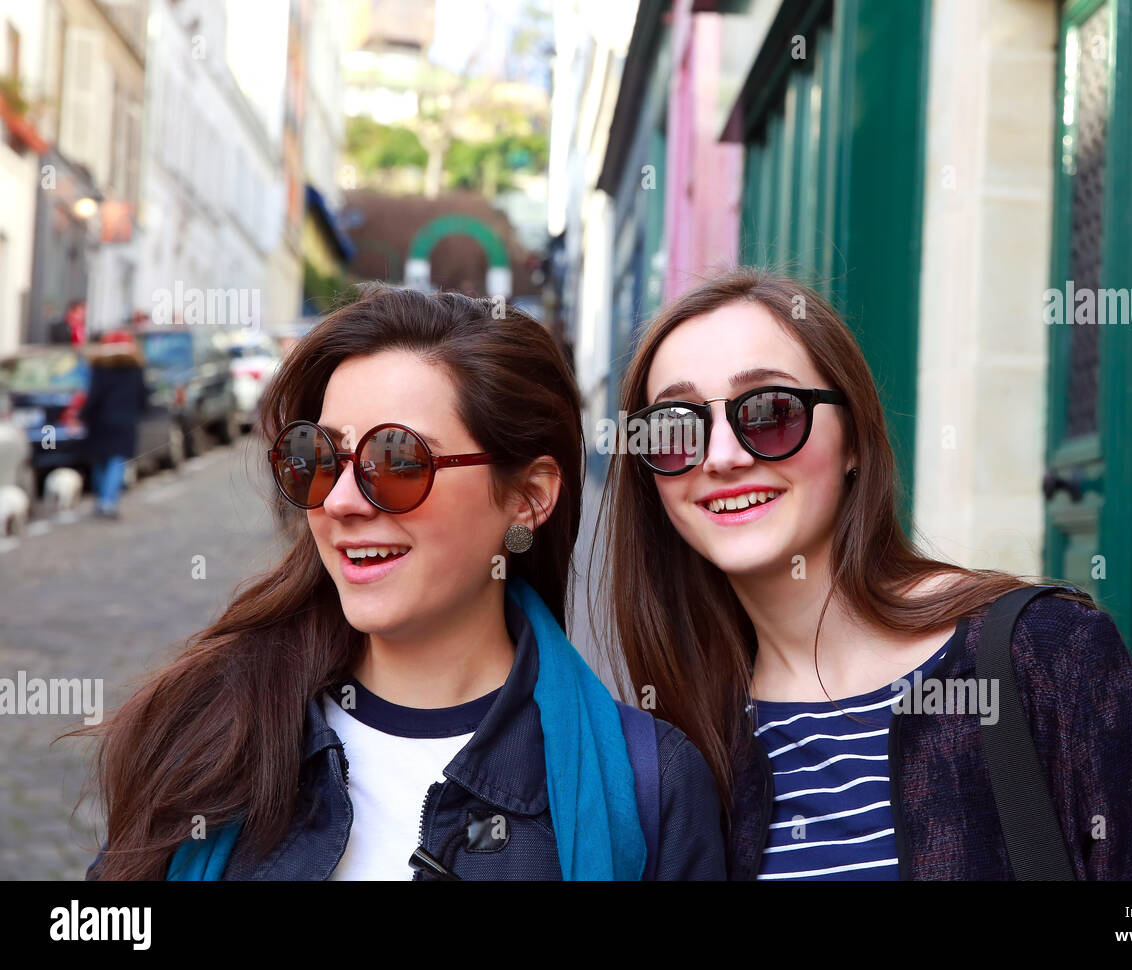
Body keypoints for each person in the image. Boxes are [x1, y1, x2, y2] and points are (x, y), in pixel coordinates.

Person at [596, 269, 1132, 881]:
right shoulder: (687, 739)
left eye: (769, 412)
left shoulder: (1045, 650)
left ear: (854, 443)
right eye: (676, 428)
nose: (724, 457)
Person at [78, 284, 725, 880]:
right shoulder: (207, 730)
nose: (340, 502)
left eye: (397, 461)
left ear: (528, 497)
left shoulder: (651, 791)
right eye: (319, 458)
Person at [82, 331, 148, 519]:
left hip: (100, 421)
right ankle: (108, 501)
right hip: (125, 421)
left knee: (101, 460)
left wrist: (84, 415)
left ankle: (102, 498)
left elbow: (93, 396)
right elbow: (143, 397)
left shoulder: (99, 368)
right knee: (117, 460)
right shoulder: (135, 368)